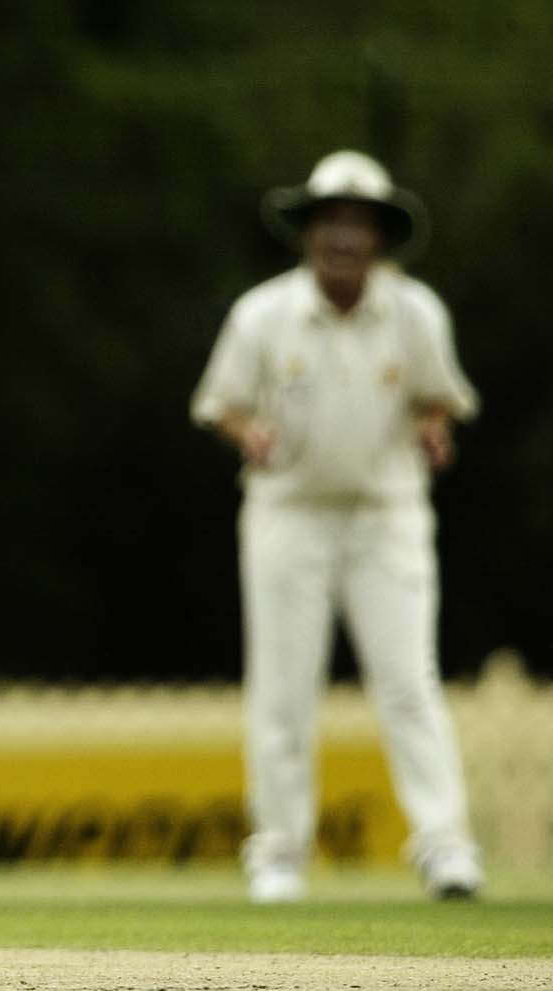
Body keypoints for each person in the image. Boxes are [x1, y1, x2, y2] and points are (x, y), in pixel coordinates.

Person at [190, 150, 483, 903]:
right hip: (289, 513)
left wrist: (433, 427)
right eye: (332, 222)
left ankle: (445, 845)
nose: (345, 238)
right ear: (309, 232)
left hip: (388, 515)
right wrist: (245, 433)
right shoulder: (264, 314)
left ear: (380, 236)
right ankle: (280, 850)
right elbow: (221, 402)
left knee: (409, 682)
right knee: (284, 686)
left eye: (359, 224)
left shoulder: (415, 312)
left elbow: (439, 396)